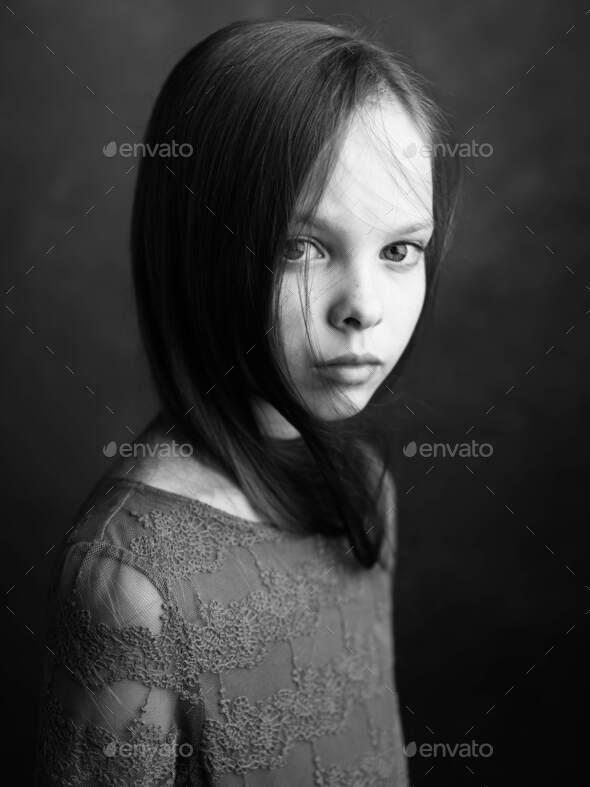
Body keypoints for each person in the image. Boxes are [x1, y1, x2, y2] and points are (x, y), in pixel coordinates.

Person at [34, 15, 461, 785]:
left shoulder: (363, 489)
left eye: (400, 250)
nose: (362, 306)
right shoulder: (132, 583)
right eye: (302, 246)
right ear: (204, 249)